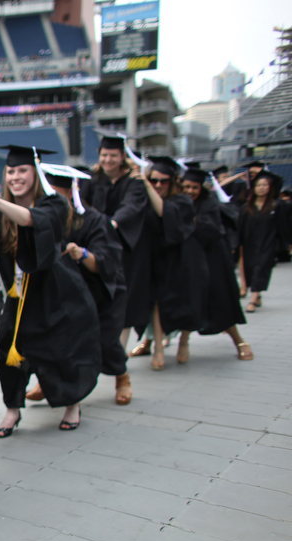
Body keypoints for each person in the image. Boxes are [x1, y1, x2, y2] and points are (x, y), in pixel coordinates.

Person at [0, 145, 100, 435]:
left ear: (36, 173)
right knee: (6, 348)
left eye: (22, 171)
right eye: (11, 171)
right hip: (18, 297)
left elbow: (32, 219)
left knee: (62, 349)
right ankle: (12, 410)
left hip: (56, 293)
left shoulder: (54, 204)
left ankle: (72, 403)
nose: (15, 177)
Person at [40, 163, 131, 404]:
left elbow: (107, 261)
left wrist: (81, 253)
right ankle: (50, 383)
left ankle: (122, 377)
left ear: (71, 193)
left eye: (56, 193)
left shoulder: (94, 220)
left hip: (101, 290)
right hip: (68, 293)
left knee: (106, 341)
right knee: (56, 339)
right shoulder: (47, 218)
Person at [79, 132, 150, 355]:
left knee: (124, 298)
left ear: (122, 157)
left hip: (125, 247)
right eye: (104, 155)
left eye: (113, 156)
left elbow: (130, 208)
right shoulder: (92, 179)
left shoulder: (133, 182)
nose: (108, 160)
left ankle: (117, 353)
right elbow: (81, 203)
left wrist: (111, 224)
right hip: (98, 245)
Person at [133, 157, 207, 370]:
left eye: (163, 181)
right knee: (157, 301)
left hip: (184, 258)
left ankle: (184, 342)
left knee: (189, 300)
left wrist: (146, 184)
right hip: (158, 258)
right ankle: (157, 348)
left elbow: (165, 213)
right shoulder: (145, 199)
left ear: (173, 181)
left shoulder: (182, 201)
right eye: (153, 180)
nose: (158, 185)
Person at [178, 168, 253, 361]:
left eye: (194, 187)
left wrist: (189, 220)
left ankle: (239, 341)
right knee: (189, 301)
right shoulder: (175, 201)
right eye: (187, 186)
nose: (190, 191)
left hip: (213, 259)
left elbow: (212, 229)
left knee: (221, 300)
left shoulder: (209, 202)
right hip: (187, 261)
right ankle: (182, 342)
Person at [239, 171, 286, 313]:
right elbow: (240, 228)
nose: (261, 188)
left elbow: (283, 226)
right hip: (250, 245)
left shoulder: (276, 206)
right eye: (258, 185)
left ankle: (253, 299)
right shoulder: (246, 207)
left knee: (261, 268)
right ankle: (257, 294)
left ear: (270, 188)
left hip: (268, 244)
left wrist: (285, 244)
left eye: (265, 185)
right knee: (252, 269)